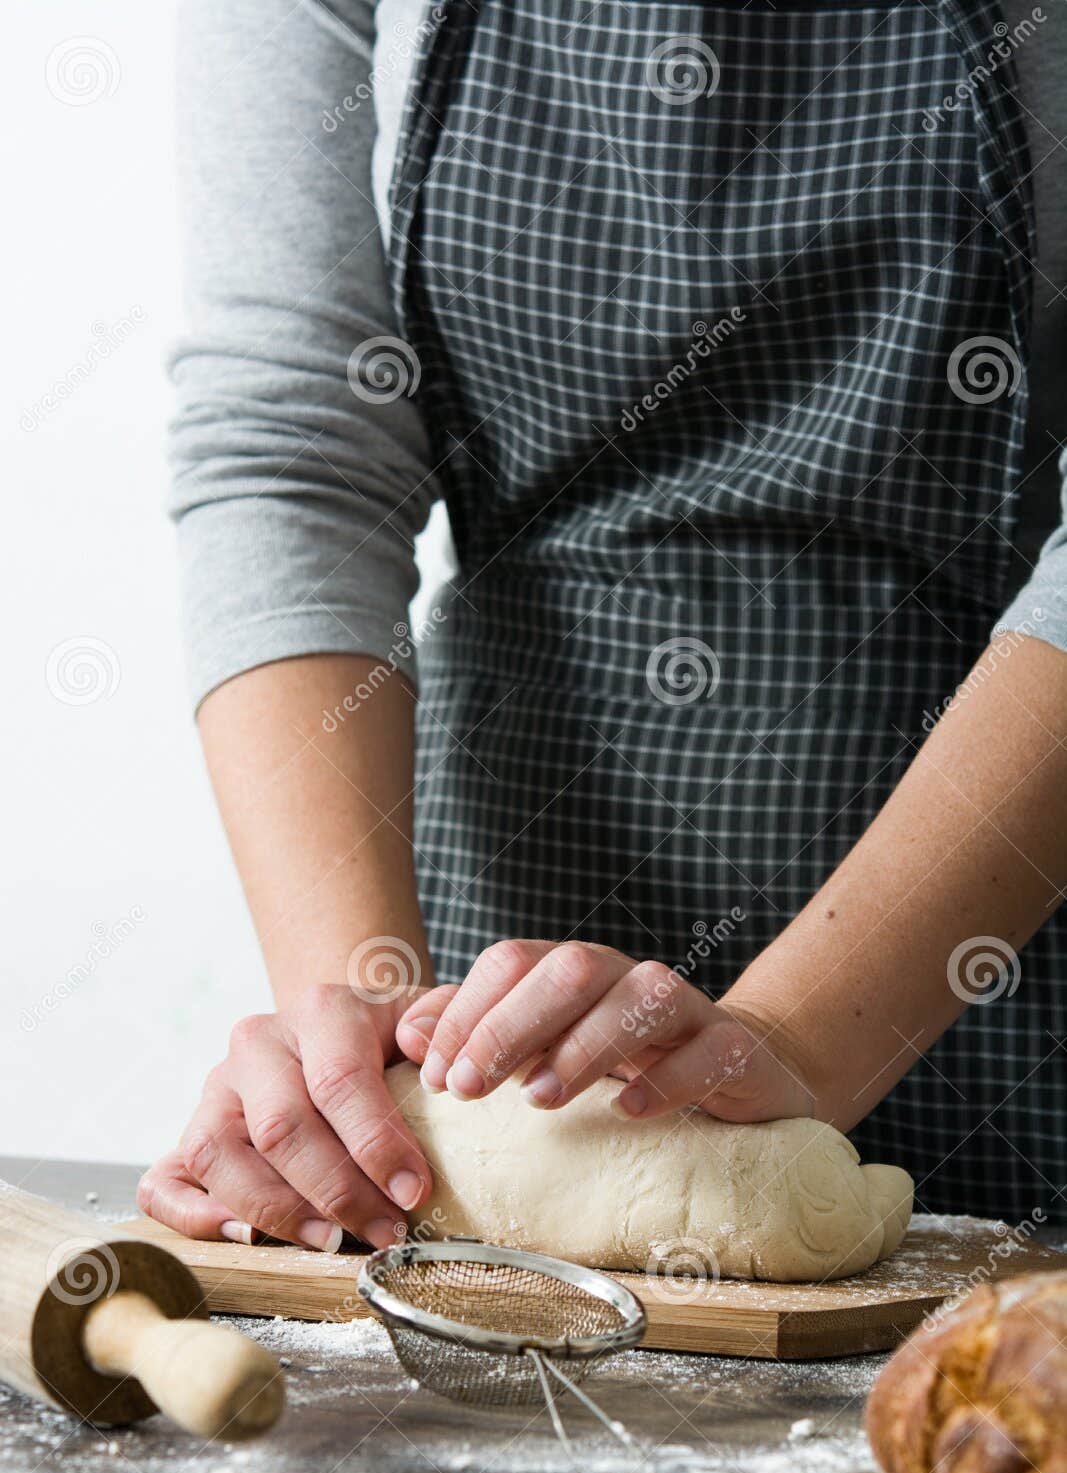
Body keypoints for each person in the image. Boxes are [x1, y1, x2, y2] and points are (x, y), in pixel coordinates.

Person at [139, 0, 1067, 1254]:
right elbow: (293, 446)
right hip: (495, 978)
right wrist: (362, 1050)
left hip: (988, 939)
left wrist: (800, 1037)